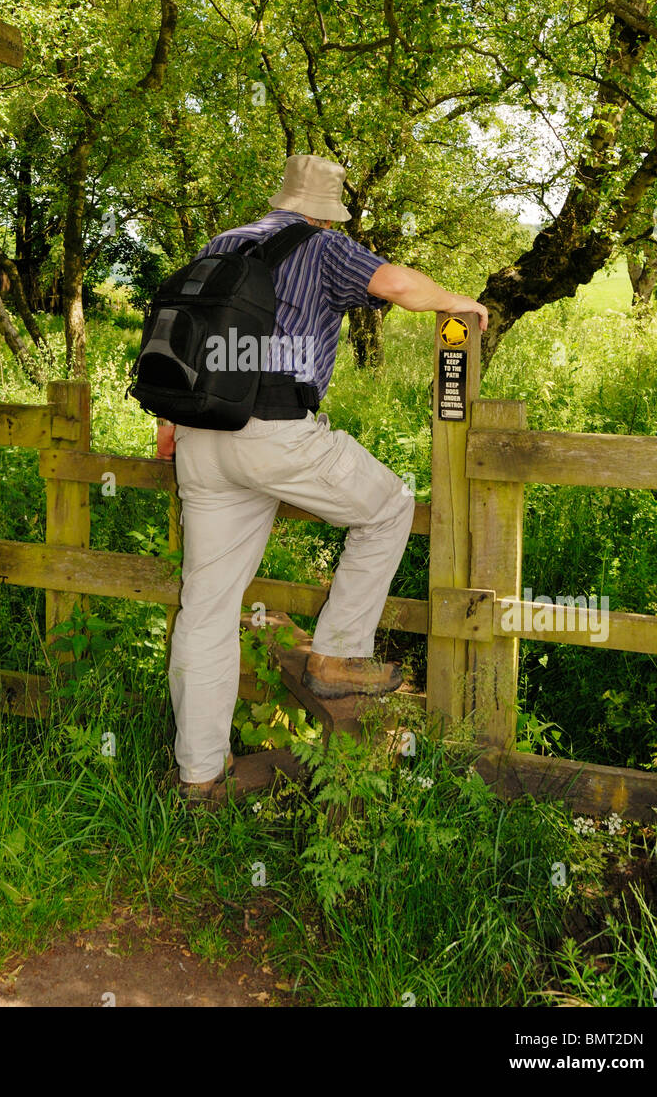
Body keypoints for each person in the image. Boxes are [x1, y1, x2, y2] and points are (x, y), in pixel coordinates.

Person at [156, 154, 488, 800]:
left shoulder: (221, 244)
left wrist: (170, 419)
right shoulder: (323, 245)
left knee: (206, 610)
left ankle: (199, 775)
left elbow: (184, 335)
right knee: (388, 506)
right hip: (275, 431)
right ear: (325, 209)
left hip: (201, 435)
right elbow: (395, 285)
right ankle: (336, 654)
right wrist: (456, 302)